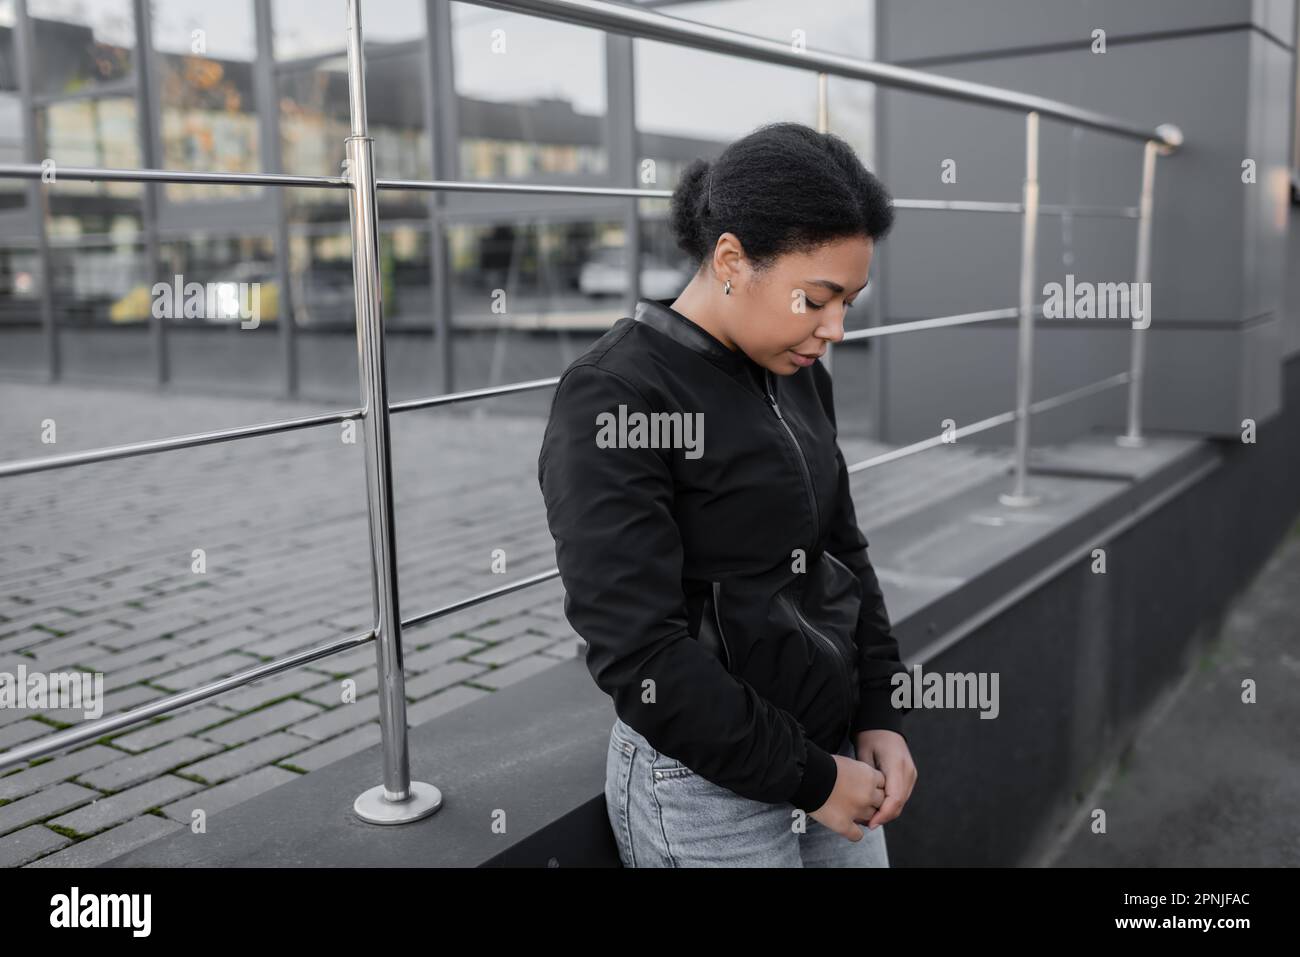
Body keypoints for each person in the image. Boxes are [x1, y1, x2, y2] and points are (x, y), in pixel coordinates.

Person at [537, 121, 917, 867]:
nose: (835, 328)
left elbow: (841, 550)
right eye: (817, 298)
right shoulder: (617, 396)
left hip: (836, 760)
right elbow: (639, 654)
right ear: (732, 259)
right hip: (704, 794)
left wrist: (880, 707)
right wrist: (811, 778)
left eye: (851, 302)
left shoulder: (799, 372)